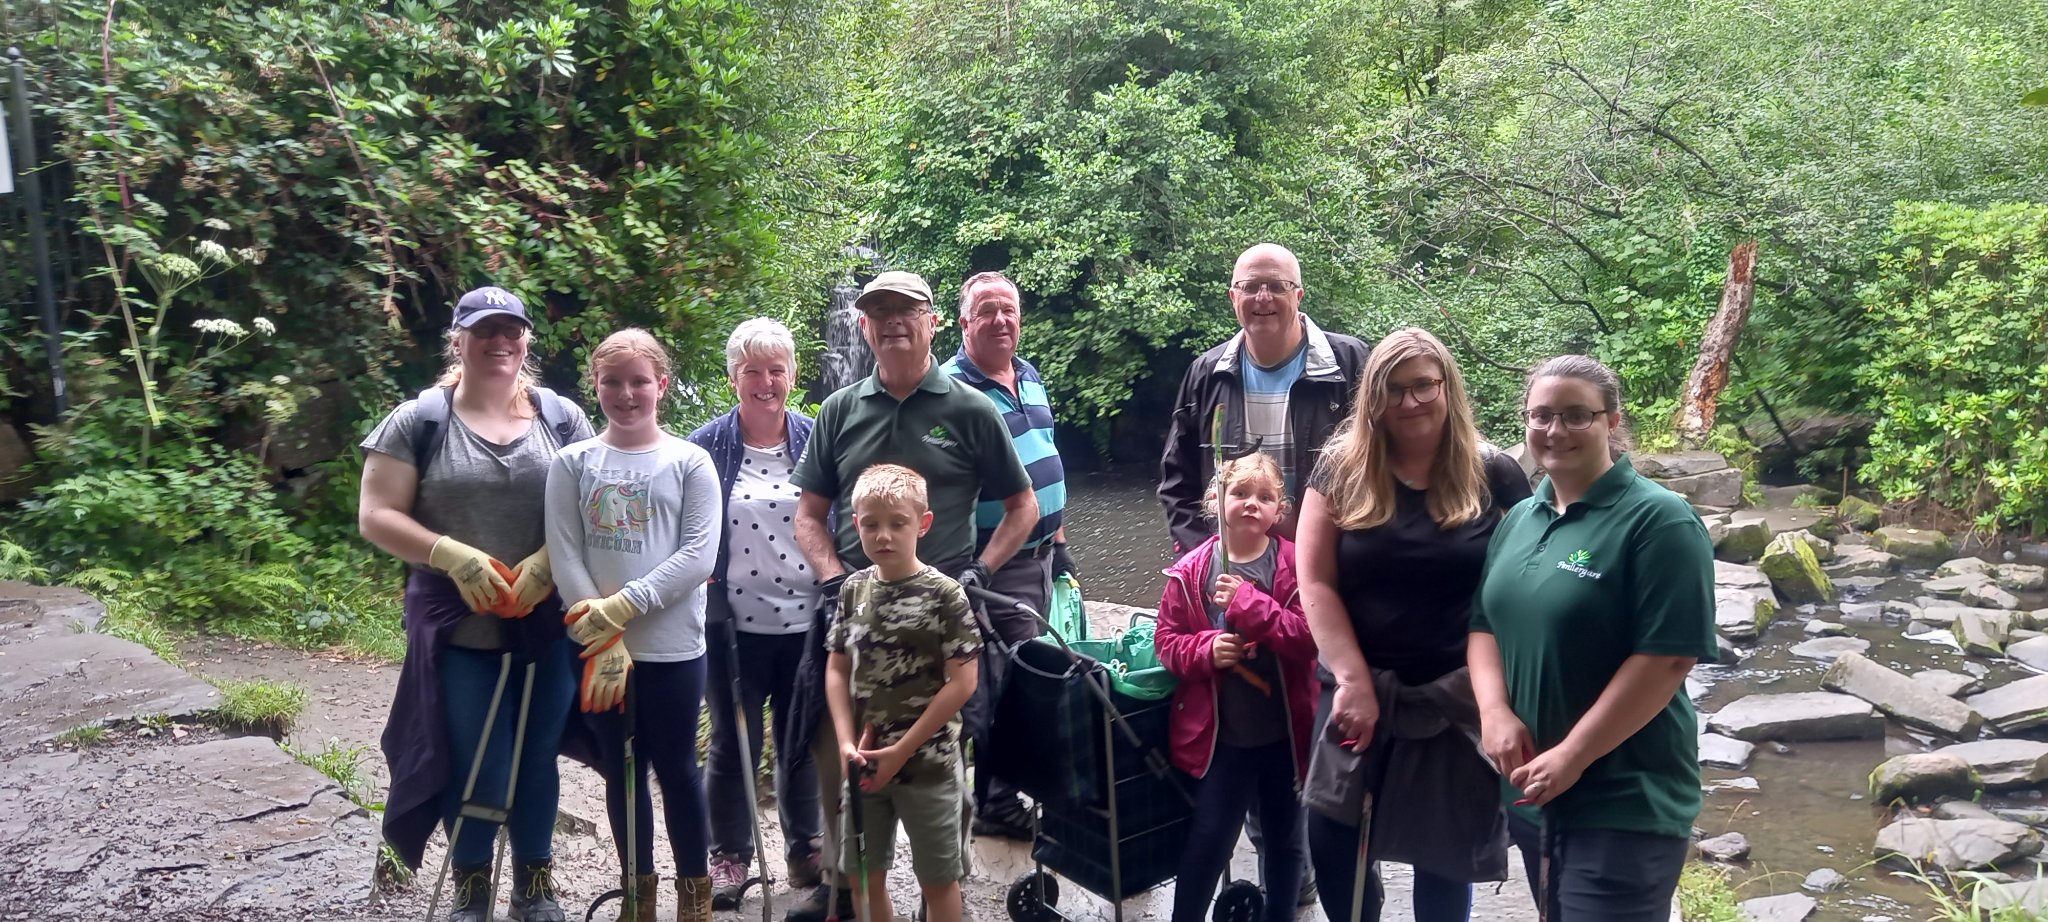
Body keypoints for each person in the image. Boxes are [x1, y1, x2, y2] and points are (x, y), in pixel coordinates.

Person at [785, 270, 1037, 922]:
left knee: (944, 751)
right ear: (863, 326)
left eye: (907, 310)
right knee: (831, 744)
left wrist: (980, 571)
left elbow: (1023, 506)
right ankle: (844, 888)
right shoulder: (840, 408)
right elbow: (808, 515)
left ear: (932, 322)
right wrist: (833, 575)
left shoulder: (969, 408)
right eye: (879, 312)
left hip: (940, 606)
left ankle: (937, 891)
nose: (893, 320)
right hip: (851, 601)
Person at [359, 286, 594, 922]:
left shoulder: (562, 419)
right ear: (458, 341)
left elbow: (593, 506)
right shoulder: (420, 421)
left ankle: (535, 885)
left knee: (538, 754)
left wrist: (549, 566)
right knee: (478, 758)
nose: (501, 342)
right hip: (458, 624)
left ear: (526, 341)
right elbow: (377, 515)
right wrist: (453, 557)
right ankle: (470, 888)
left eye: (512, 331)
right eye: (485, 331)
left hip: (545, 622)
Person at [1467, 355, 1716, 921]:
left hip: (1623, 800)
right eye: (1542, 415)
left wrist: (1573, 757)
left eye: (1578, 416)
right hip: (1533, 796)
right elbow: (1483, 625)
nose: (1556, 431)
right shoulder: (1519, 519)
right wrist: (1494, 713)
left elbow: (1668, 657)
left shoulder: (1660, 521)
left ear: (1612, 421)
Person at [1296, 328, 1533, 922]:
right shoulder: (1339, 468)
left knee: (1443, 856)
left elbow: (1525, 585)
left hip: (1454, 690)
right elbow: (1315, 580)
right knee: (1330, 833)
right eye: (1394, 390)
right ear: (1372, 398)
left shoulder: (1495, 473)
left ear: (1447, 388)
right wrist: (1351, 680)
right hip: (1357, 681)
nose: (1410, 403)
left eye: (1423, 386)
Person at [544, 328, 724, 922]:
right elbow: (565, 551)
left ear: (662, 386)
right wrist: (603, 632)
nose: (627, 393)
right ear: (596, 385)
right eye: (613, 381)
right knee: (621, 770)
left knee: (676, 768)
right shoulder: (572, 463)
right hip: (598, 648)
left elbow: (698, 555)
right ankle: (637, 898)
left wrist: (622, 609)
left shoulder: (689, 462)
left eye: (639, 381)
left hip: (673, 649)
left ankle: (693, 899)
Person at [686, 318, 826, 910]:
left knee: (801, 740)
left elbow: (839, 516)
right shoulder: (705, 444)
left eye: (776, 370)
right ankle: (729, 857)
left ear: (792, 376)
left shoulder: (817, 437)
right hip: (730, 623)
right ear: (734, 377)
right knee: (730, 741)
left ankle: (805, 846)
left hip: (807, 619)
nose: (765, 381)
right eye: (752, 370)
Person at [938, 271, 1075, 840]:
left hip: (1039, 555)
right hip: (992, 564)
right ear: (964, 322)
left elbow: (1044, 456)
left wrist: (1061, 545)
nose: (1000, 320)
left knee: (1021, 677)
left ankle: (996, 794)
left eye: (1009, 310)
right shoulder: (947, 390)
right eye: (986, 311)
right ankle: (992, 801)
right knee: (1002, 683)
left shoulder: (1028, 375)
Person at [1153, 453, 1317, 922]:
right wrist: (1206, 651)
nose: (1251, 503)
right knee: (1209, 838)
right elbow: (1167, 642)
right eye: (1240, 493)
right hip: (1224, 741)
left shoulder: (1293, 565)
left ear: (1279, 511)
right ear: (1215, 500)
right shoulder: (1190, 571)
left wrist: (1249, 603)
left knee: (1285, 842)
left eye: (1264, 497)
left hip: (1286, 738)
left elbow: (1308, 639)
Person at [824, 463, 982, 922]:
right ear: (856, 525)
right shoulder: (853, 590)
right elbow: (836, 669)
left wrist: (902, 750)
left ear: (923, 524)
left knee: (938, 879)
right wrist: (844, 742)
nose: (883, 536)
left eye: (898, 523)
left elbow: (964, 682)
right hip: (864, 762)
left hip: (929, 762)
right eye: (870, 524)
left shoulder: (945, 595)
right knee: (863, 872)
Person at [1158, 242, 1371, 553]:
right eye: (1250, 286)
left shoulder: (1352, 363)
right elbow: (1178, 479)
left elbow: (1384, 462)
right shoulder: (1206, 374)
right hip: (1233, 568)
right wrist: (1202, 558)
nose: (1262, 297)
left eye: (1276, 286)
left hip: (1329, 563)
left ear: (1298, 295)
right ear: (1234, 297)